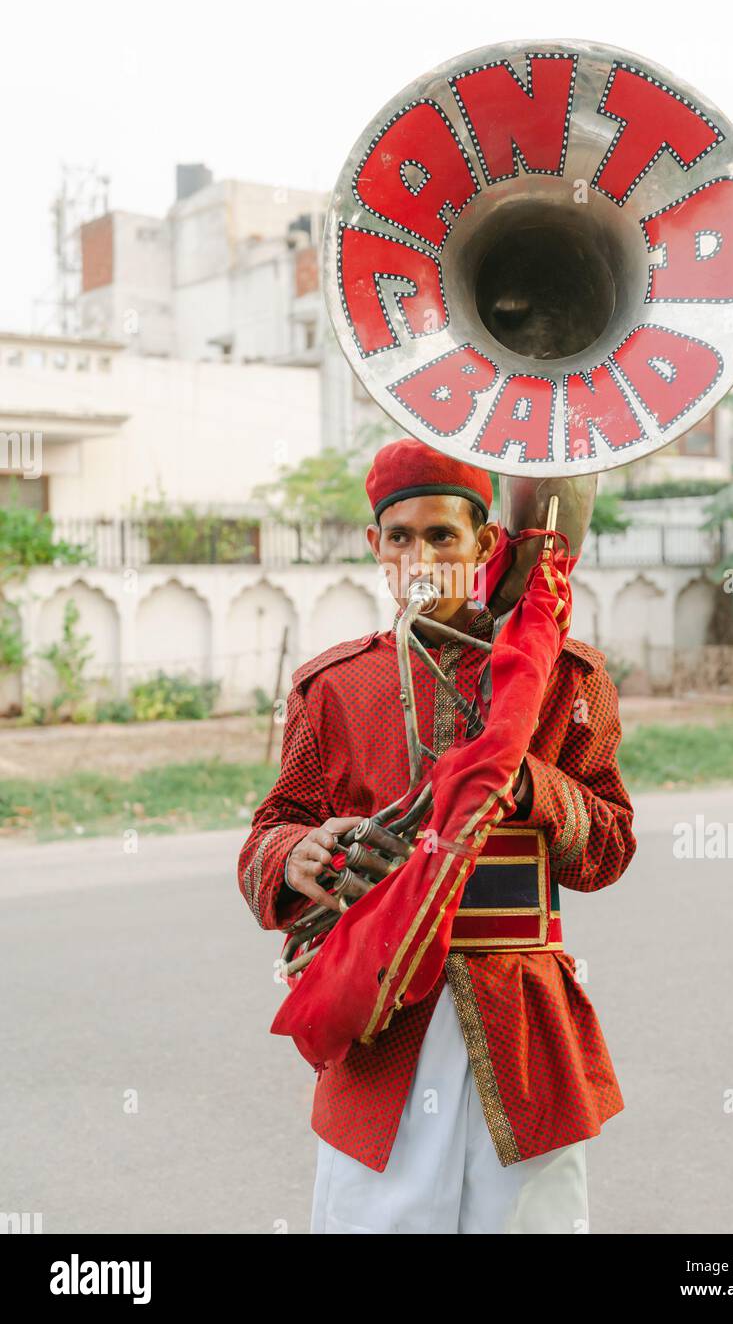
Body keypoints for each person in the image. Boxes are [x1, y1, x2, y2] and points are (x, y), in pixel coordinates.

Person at [237, 437, 637, 1233]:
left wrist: (532, 787)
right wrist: (299, 855)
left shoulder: (567, 679)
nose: (420, 555)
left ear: (486, 543)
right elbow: (272, 829)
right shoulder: (334, 688)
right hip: (381, 1022)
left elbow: (609, 847)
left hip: (522, 1027)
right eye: (401, 537)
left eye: (443, 536)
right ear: (375, 548)